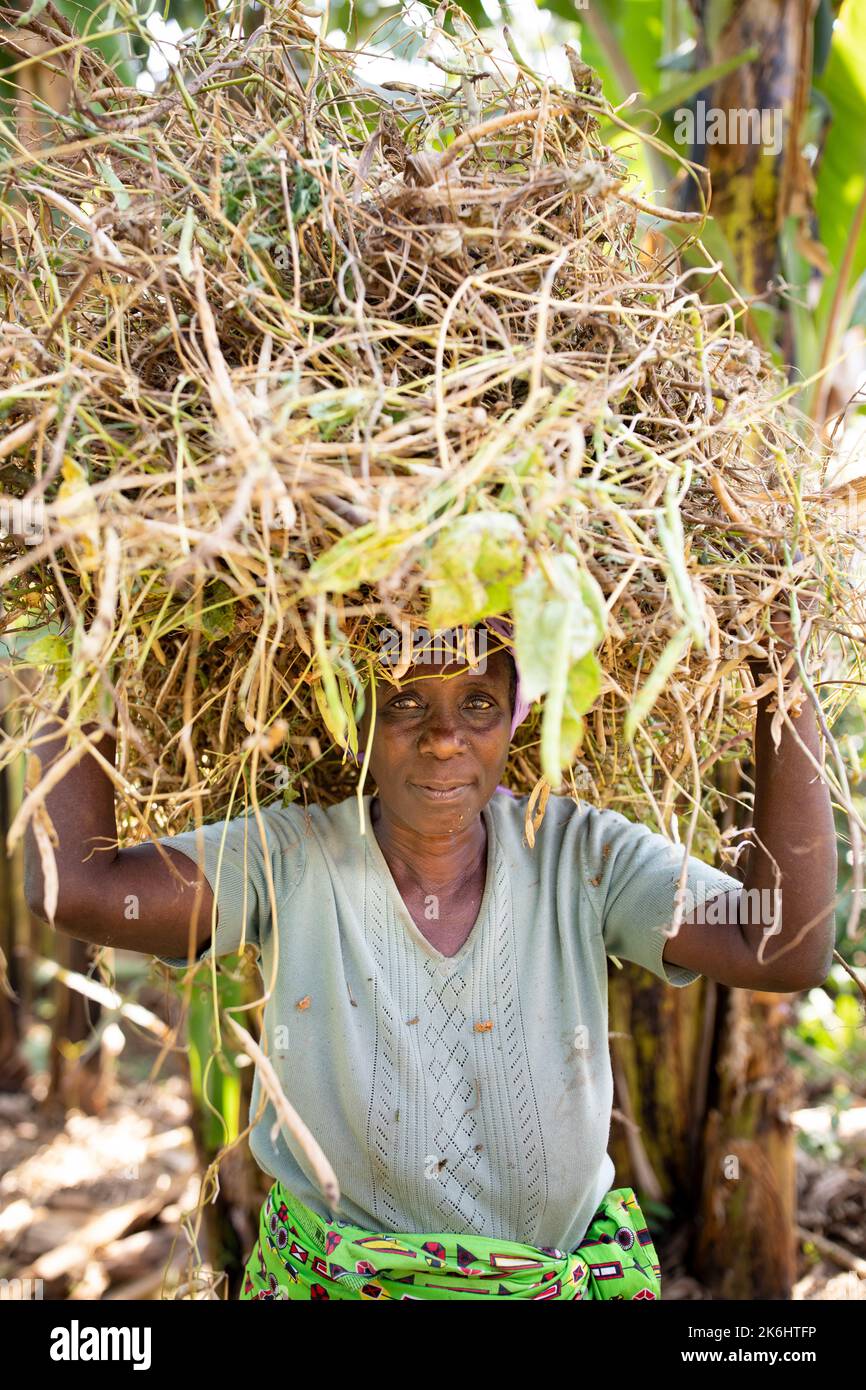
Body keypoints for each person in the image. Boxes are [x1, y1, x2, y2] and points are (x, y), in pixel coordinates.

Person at [24, 612, 837, 1301]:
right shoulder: (290, 858)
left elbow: (780, 948)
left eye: (479, 703)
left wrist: (781, 677)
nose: (445, 739)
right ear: (358, 718)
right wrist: (90, 633)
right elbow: (80, 892)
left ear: (514, 721)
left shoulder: (579, 854)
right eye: (406, 701)